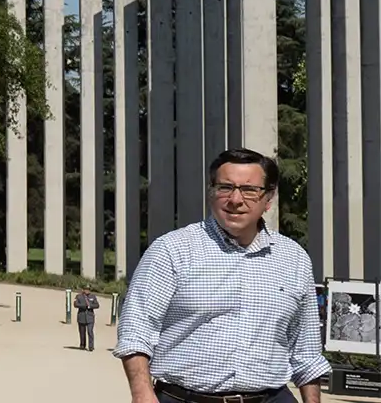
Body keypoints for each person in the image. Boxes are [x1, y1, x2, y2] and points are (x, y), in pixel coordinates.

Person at [115, 149, 327, 403]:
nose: (235, 199)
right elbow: (136, 329)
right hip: (185, 397)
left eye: (249, 190)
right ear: (211, 192)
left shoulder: (294, 259)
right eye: (225, 187)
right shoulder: (172, 250)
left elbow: (306, 350)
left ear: (268, 199)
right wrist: (142, 394)